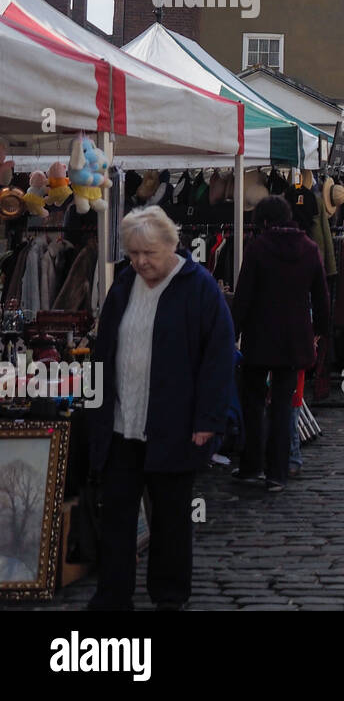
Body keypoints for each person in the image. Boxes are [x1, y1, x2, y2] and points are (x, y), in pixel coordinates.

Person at [87, 207, 236, 611]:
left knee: (171, 517)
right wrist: (96, 406)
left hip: (173, 423)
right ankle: (113, 595)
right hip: (122, 423)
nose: (140, 261)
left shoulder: (199, 287)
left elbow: (218, 357)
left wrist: (209, 419)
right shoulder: (124, 283)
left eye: (147, 253)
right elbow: (105, 350)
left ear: (171, 246)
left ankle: (169, 595)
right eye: (133, 253)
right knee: (116, 516)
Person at [232, 196, 329, 492]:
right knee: (283, 406)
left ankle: (251, 466)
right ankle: (277, 473)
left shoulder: (258, 248)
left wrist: (232, 331)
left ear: (263, 221)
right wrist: (320, 331)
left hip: (260, 337)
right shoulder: (310, 249)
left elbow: (244, 295)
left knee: (253, 403)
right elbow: (322, 296)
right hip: (294, 338)